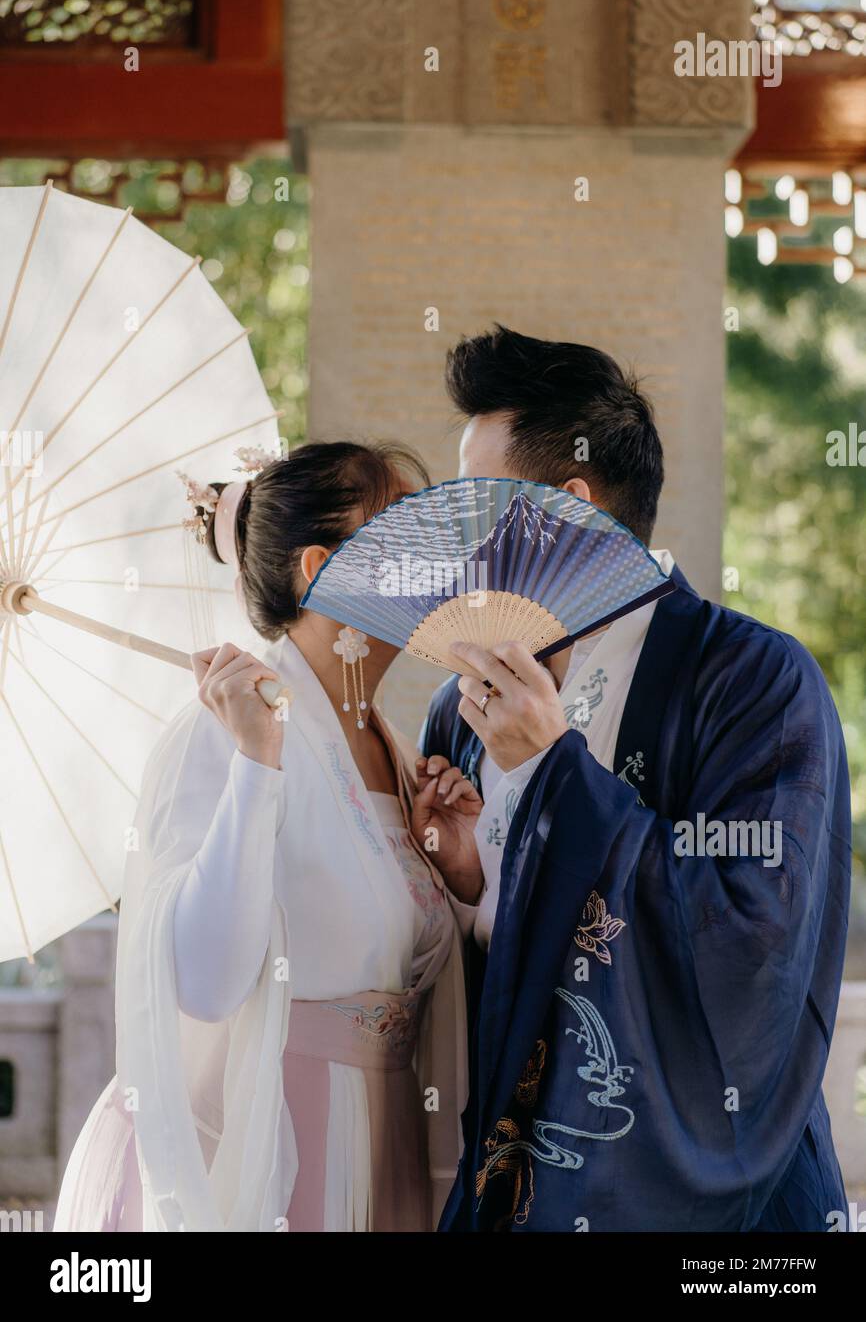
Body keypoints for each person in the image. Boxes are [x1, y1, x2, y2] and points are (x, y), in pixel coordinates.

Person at [419, 325, 851, 1232]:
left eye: (475, 507)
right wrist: (467, 885)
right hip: (523, 1186)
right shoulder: (461, 705)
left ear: (563, 510)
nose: (457, 539)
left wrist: (551, 770)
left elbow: (754, 935)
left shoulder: (756, 683)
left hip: (724, 1214)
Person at [54, 440, 478, 1233]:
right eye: (402, 530)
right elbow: (208, 984)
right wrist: (257, 763)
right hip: (255, 1155)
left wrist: (463, 874)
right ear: (319, 569)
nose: (435, 555)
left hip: (384, 1153)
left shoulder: (401, 749)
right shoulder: (221, 734)